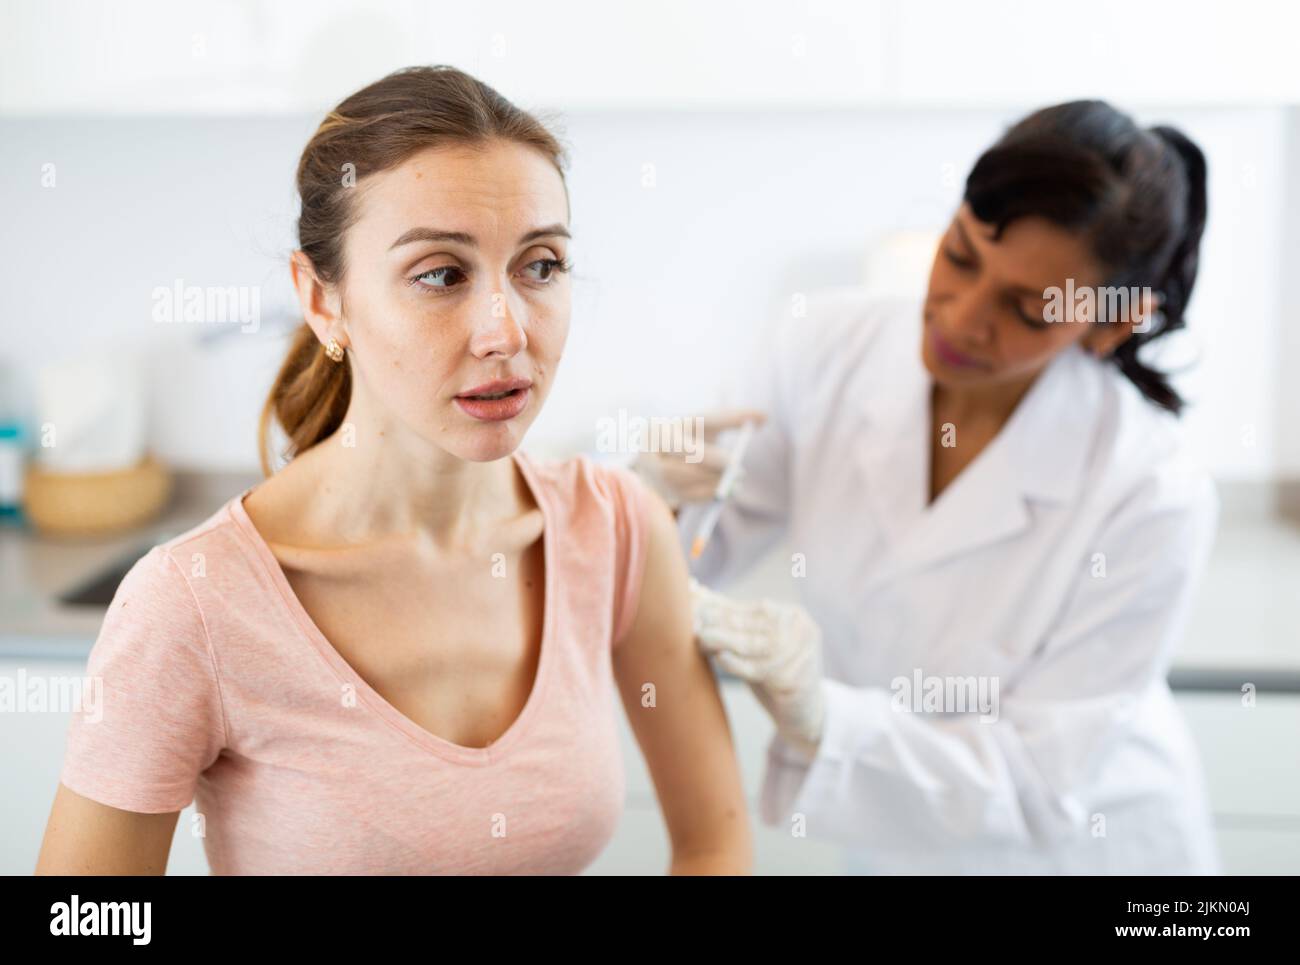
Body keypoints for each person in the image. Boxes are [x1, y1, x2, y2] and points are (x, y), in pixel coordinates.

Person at [38, 65, 750, 876]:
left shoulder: (618, 527)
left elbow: (714, 842)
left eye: (541, 265)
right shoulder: (192, 604)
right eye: (441, 274)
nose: (505, 330)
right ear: (322, 299)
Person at [647, 100, 1220, 874]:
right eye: (959, 256)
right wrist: (652, 508)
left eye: (1024, 308)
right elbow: (681, 564)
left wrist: (827, 719)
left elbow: (1038, 785)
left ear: (1110, 326)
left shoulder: (1151, 490)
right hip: (899, 840)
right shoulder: (826, 349)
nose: (962, 317)